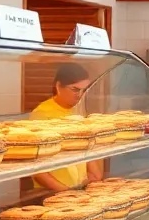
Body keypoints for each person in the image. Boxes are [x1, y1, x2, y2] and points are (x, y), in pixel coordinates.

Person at [30, 64, 102, 193]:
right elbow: (37, 169)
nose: (80, 95)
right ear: (58, 86)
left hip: (79, 188)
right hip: (52, 192)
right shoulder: (42, 114)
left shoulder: (79, 110)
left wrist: (95, 175)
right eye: (75, 89)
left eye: (84, 90)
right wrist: (66, 192)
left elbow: (87, 146)